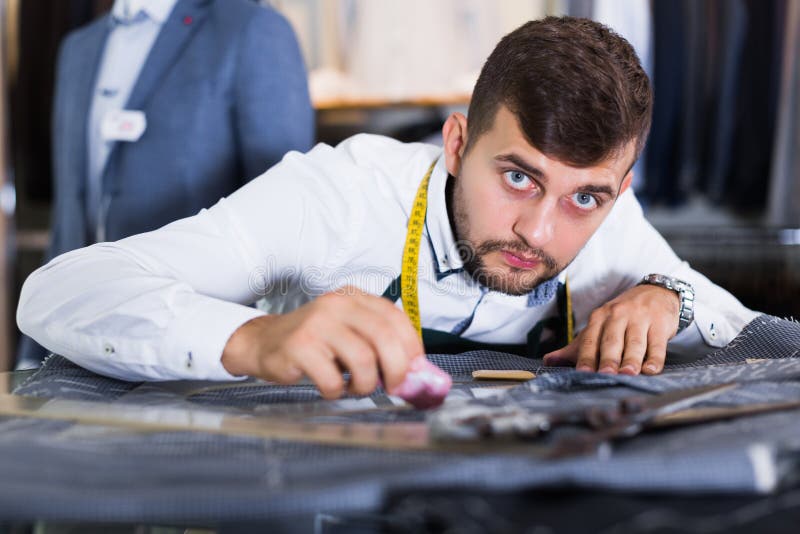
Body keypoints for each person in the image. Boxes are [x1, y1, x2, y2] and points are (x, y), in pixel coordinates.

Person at [17, 17, 757, 399]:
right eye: (520, 179)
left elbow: (747, 333)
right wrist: (255, 338)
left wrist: (669, 298)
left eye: (584, 197)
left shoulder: (609, 222)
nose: (540, 230)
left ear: (615, 192)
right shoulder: (335, 196)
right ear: (459, 144)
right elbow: (56, 293)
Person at [16, 0, 314, 367]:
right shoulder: (79, 47)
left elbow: (285, 214)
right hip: (83, 353)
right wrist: (32, 353)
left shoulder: (253, 30)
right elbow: (69, 219)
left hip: (205, 358)